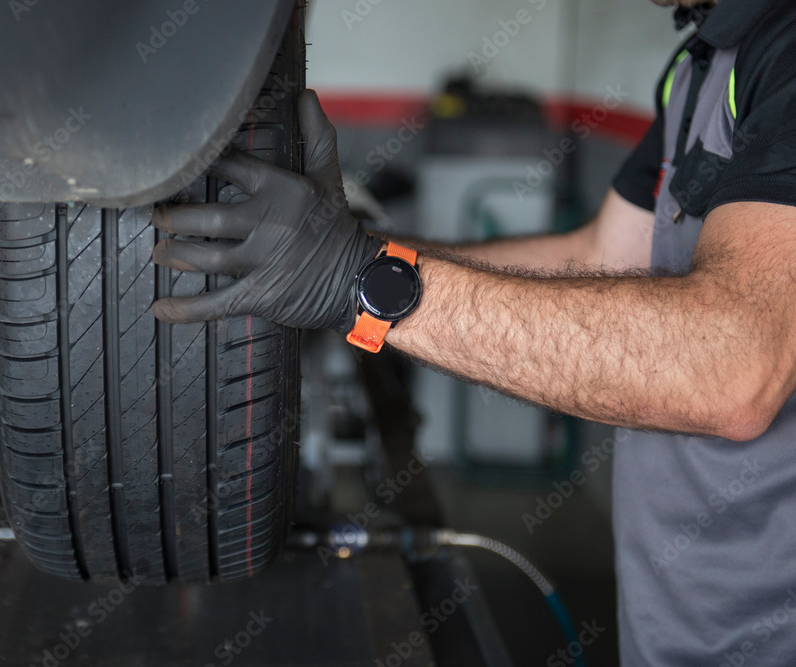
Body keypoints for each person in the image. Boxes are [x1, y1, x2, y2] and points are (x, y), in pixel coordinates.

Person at [151, 0, 796, 663]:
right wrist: (355, 248)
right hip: (677, 624)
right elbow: (599, 256)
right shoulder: (700, 64)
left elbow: (734, 369)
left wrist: (358, 281)